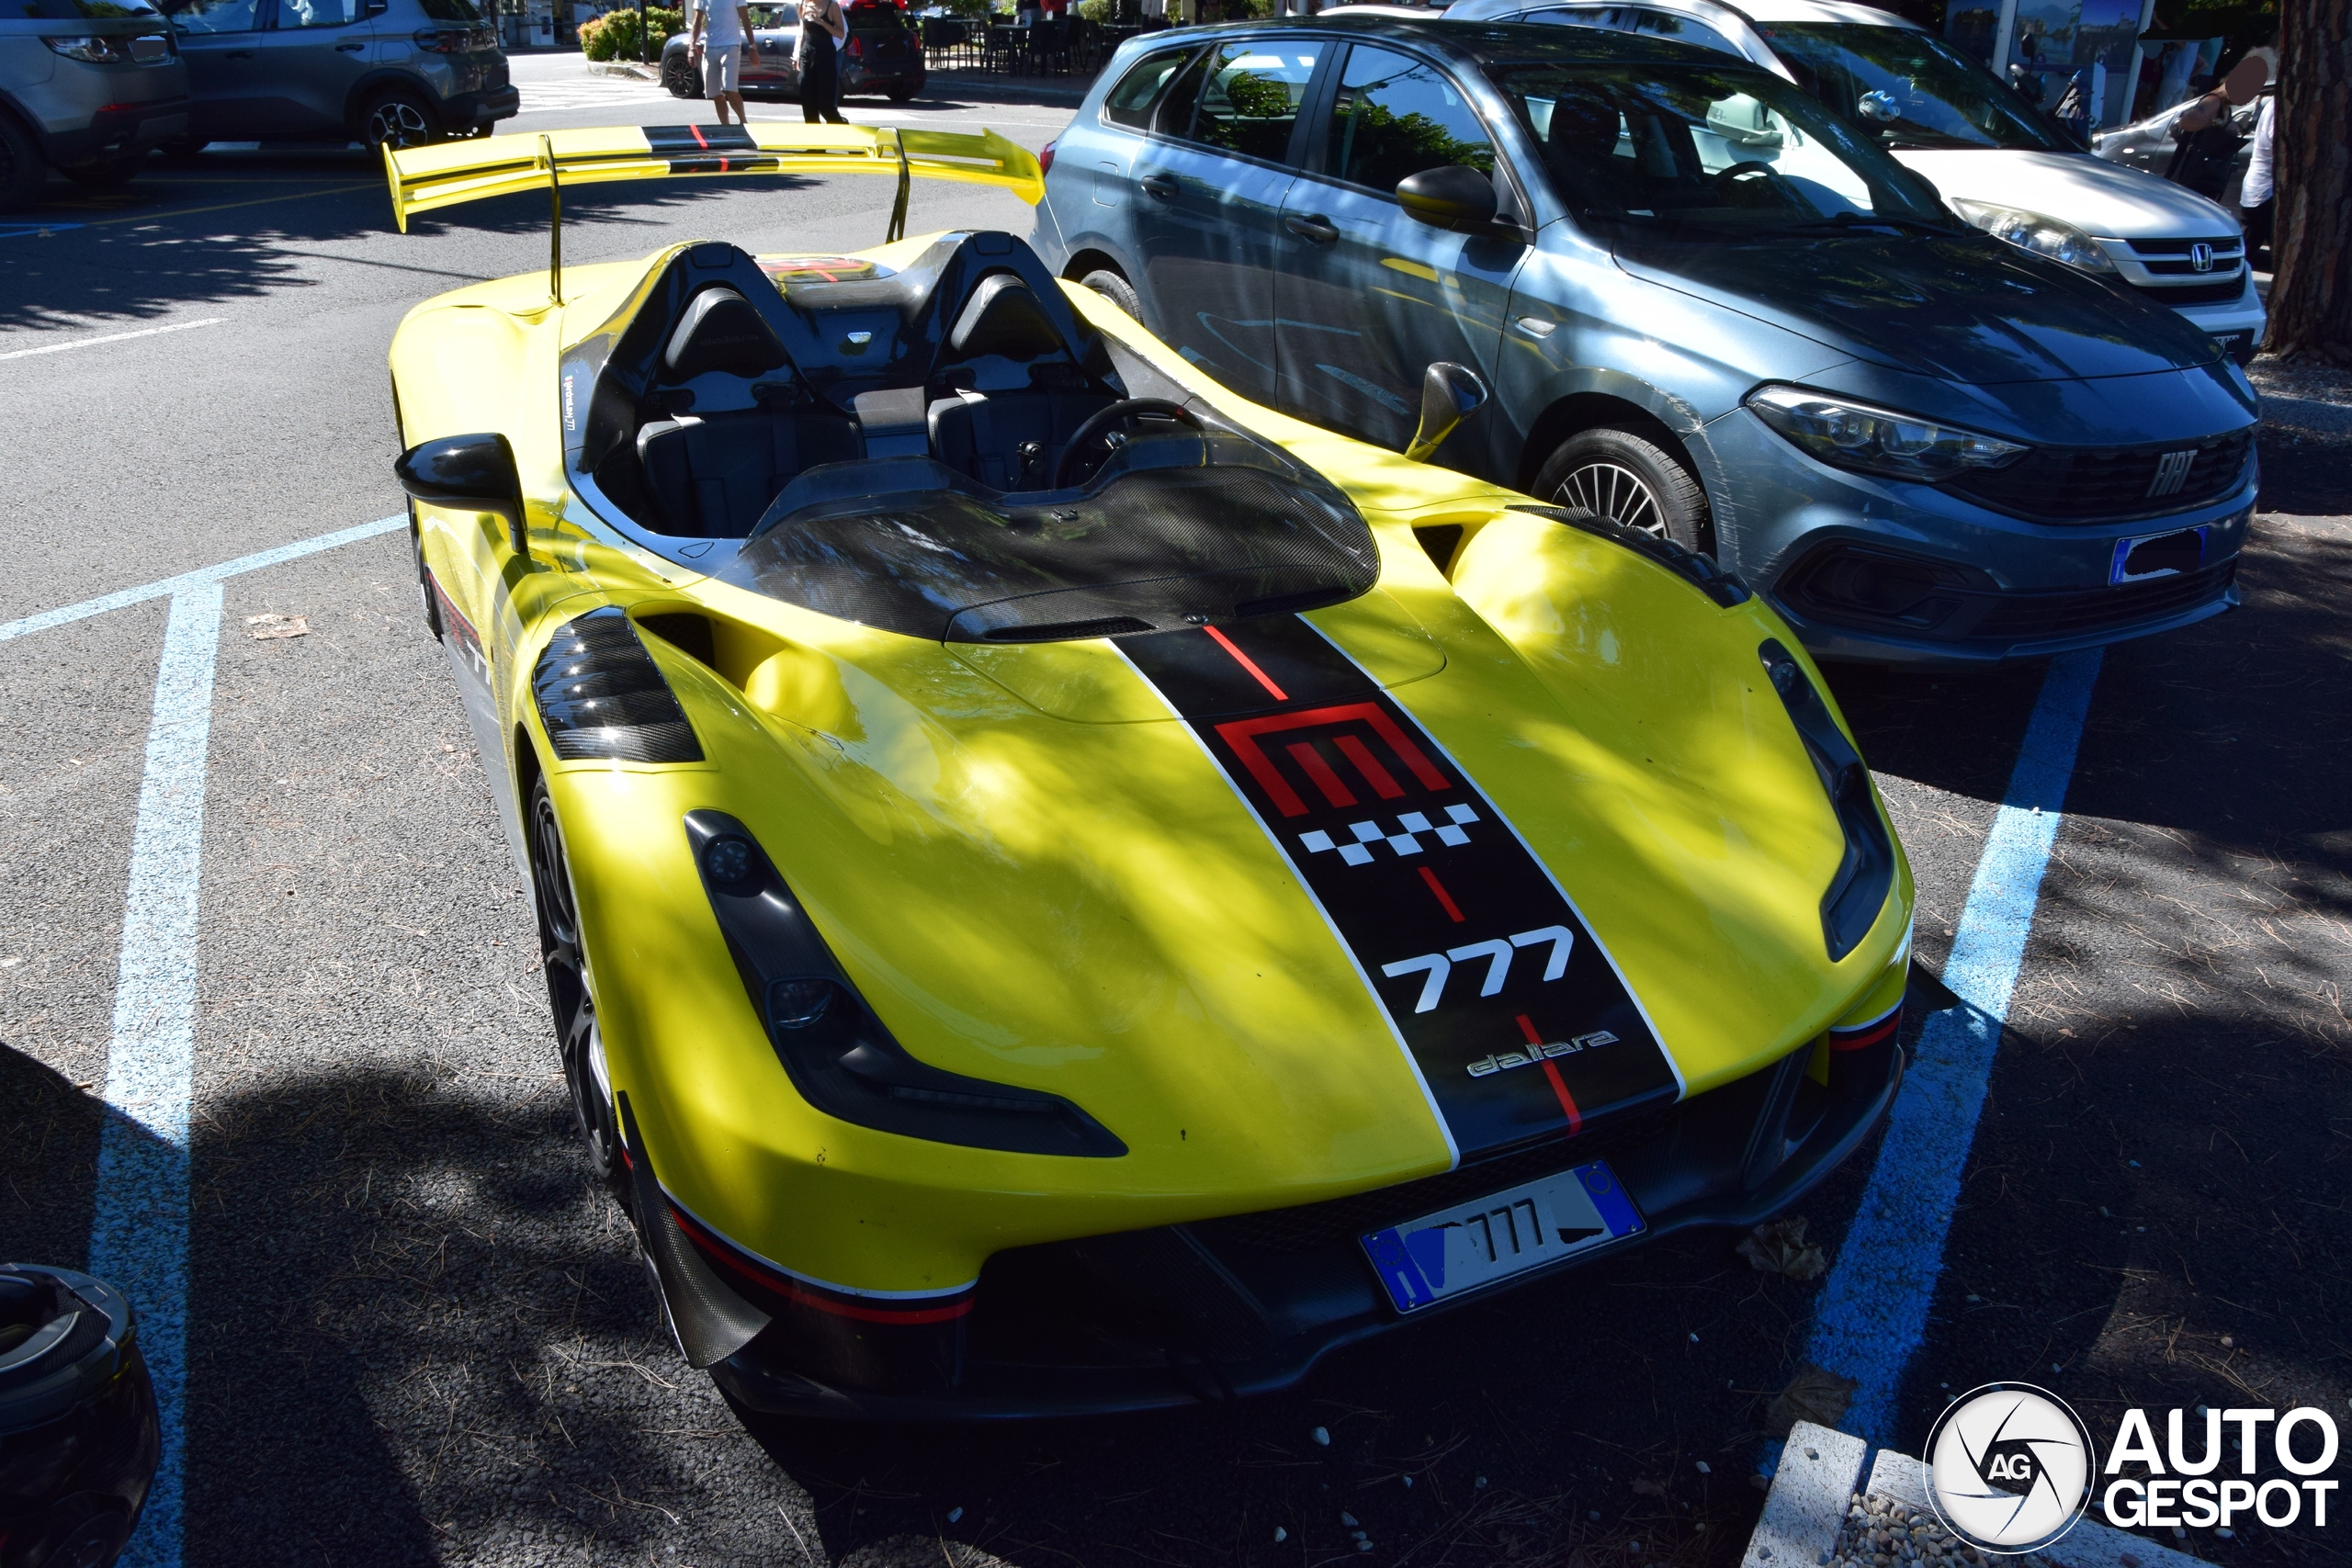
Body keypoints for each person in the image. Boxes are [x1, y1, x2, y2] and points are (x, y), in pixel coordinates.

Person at [2165, 54, 2266, 198]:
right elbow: (2186, 122)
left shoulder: (2226, 107)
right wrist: (2219, 123)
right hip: (2192, 174)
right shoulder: (2213, 101)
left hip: (2204, 176)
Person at [689, 0, 760, 126]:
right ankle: (726, 128)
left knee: (729, 88)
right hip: (710, 47)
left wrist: (752, 47)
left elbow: (745, 19)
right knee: (717, 94)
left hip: (731, 46)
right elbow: (697, 20)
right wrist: (692, 46)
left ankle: (743, 122)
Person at [796, 0, 848, 125]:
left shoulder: (832, 5)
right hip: (807, 54)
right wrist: (796, 55)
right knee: (808, 101)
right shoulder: (804, 4)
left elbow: (841, 34)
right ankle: (814, 143)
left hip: (826, 54)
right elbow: (801, 32)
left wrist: (822, 23)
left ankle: (842, 128)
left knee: (825, 105)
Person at [2238, 89, 2275, 268]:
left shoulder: (2273, 105)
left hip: (2257, 188)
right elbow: (2276, 141)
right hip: (2266, 190)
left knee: (2243, 253)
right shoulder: (2278, 107)